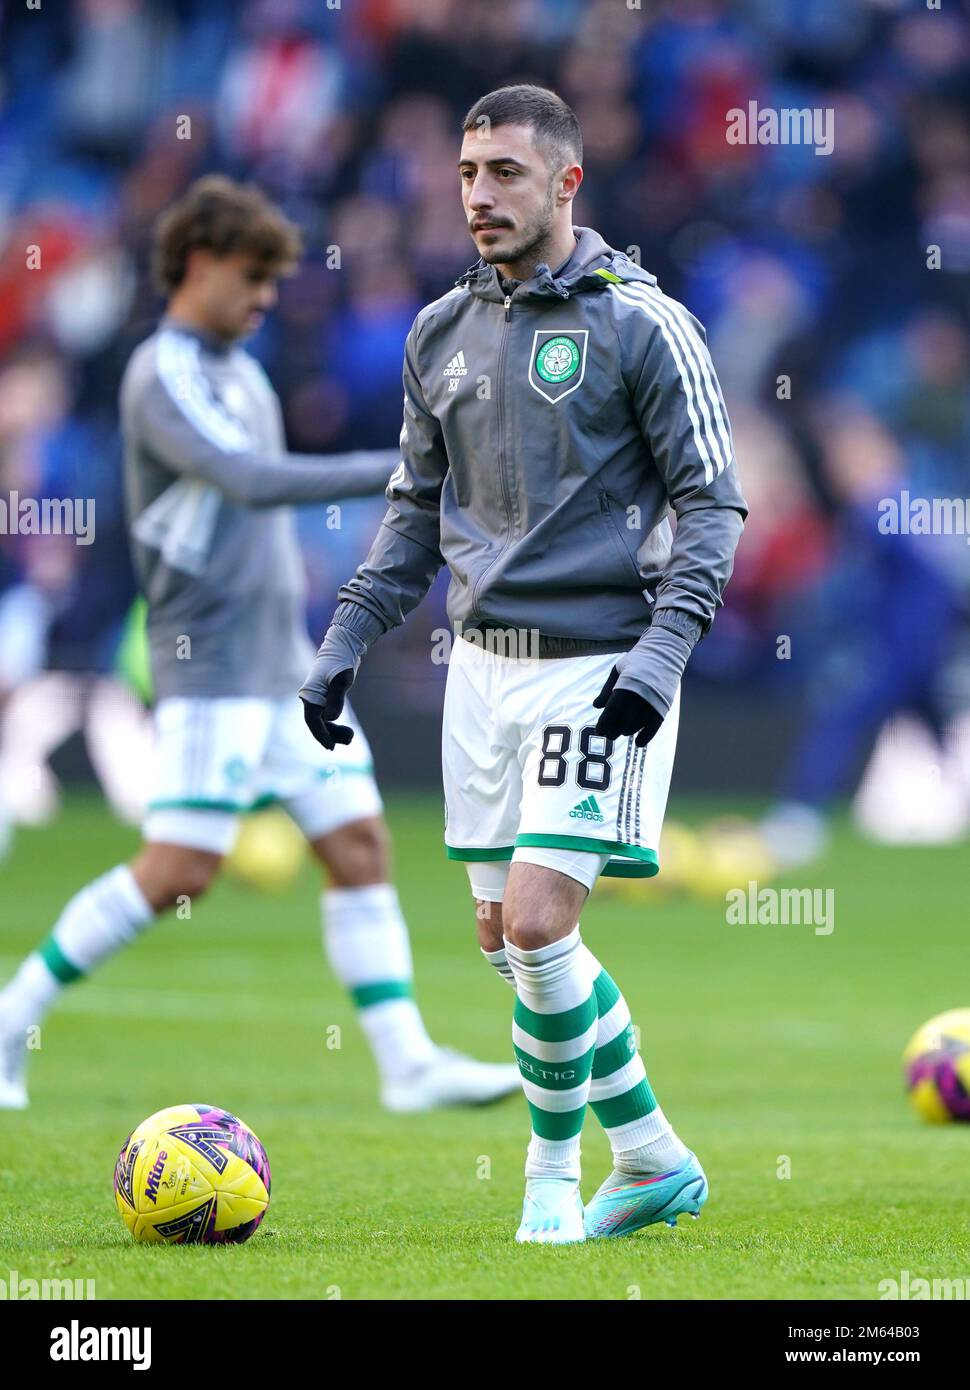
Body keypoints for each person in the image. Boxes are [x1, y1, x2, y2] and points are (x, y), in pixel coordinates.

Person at [301, 87, 747, 1243]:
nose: (479, 196)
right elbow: (412, 512)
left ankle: (549, 1178)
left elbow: (712, 503)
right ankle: (649, 1154)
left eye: (503, 172)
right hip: (481, 673)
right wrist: (347, 635)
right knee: (509, 951)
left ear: (565, 182)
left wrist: (663, 651)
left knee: (545, 926)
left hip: (598, 668)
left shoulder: (642, 324)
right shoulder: (438, 331)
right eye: (465, 174)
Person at [0, 176, 518, 1115]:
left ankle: (406, 1063)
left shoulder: (237, 368)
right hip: (211, 664)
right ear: (197, 266)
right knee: (179, 870)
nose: (267, 300)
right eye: (252, 279)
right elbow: (245, 478)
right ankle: (10, 1020)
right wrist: (408, 466)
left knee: (359, 844)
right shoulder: (161, 371)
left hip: (285, 663)